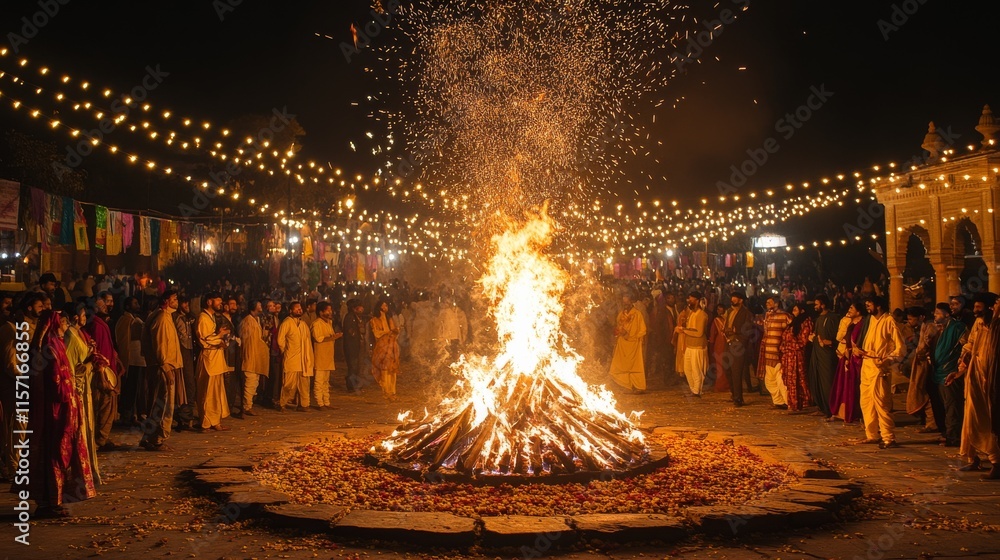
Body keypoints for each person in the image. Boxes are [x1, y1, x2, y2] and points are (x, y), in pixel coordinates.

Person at [27, 310, 96, 517]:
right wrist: (69, 395)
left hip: (63, 408)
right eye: (64, 323)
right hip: (56, 410)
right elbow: (57, 382)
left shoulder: (57, 344)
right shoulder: (50, 347)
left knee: (61, 452)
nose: (66, 327)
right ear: (56, 324)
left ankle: (54, 501)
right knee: (55, 453)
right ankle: (50, 502)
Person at [948, 292, 1000, 477]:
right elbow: (970, 344)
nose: (976, 311)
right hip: (975, 377)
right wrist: (959, 369)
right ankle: (974, 459)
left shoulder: (996, 326)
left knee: (989, 419)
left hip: (992, 381)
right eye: (975, 307)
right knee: (971, 417)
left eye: (979, 307)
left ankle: (996, 462)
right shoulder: (978, 324)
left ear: (990, 307)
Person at [856, 296, 906, 449]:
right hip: (867, 364)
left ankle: (888, 438)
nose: (867, 306)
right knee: (866, 401)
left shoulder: (889, 321)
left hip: (880, 367)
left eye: (869, 303)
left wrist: (888, 359)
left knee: (881, 402)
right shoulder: (869, 320)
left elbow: (900, 348)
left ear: (878, 305)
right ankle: (872, 435)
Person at [62, 304, 102, 485]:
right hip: (77, 388)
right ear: (75, 317)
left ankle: (89, 473)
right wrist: (87, 365)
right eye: (83, 314)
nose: (85, 317)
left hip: (86, 386)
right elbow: (70, 366)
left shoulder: (79, 333)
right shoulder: (70, 335)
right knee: (80, 431)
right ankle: (78, 476)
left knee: (88, 429)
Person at [139, 290, 183, 451]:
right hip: (163, 367)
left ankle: (149, 437)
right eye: (175, 298)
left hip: (161, 366)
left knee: (157, 404)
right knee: (164, 405)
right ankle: (157, 438)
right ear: (166, 301)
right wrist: (166, 367)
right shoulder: (162, 318)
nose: (177, 301)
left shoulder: (161, 316)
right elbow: (161, 346)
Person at [82, 298, 121, 452]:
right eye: (102, 305)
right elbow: (96, 351)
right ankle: (99, 440)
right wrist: (102, 372)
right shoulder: (96, 326)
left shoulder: (100, 324)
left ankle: (102, 438)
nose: (106, 306)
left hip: (108, 368)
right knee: (102, 406)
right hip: (101, 372)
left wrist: (115, 357)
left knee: (106, 406)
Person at [930, 303, 967, 448]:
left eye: (938, 313)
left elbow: (965, 347)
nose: (935, 316)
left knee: (953, 407)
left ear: (947, 314)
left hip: (951, 372)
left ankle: (954, 437)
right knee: (945, 406)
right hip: (938, 371)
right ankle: (949, 433)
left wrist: (959, 368)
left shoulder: (957, 328)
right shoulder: (938, 330)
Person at [196, 293, 230, 431]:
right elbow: (206, 340)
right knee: (207, 392)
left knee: (216, 392)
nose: (221, 303)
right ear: (209, 302)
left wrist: (219, 335)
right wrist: (220, 337)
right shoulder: (203, 318)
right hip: (208, 359)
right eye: (218, 301)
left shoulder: (211, 318)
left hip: (216, 359)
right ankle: (205, 422)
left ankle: (215, 420)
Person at [905, 306, 941, 434]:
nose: (909, 321)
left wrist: (920, 354)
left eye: (911, 319)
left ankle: (933, 423)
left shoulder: (930, 326)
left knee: (927, 393)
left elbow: (924, 346)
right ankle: (930, 422)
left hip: (929, 365)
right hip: (922, 363)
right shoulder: (922, 327)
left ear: (921, 317)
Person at [829, 302, 867, 423]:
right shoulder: (850, 324)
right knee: (843, 385)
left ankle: (855, 413)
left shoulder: (863, 325)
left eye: (852, 308)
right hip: (846, 357)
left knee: (854, 386)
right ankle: (841, 412)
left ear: (859, 312)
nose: (849, 310)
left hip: (857, 360)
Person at [277, 301, 314, 411]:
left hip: (304, 359)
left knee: (304, 384)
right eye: (297, 308)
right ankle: (283, 403)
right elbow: (280, 341)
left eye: (300, 308)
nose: (299, 310)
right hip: (291, 358)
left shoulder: (303, 324)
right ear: (290, 311)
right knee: (289, 384)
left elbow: (308, 340)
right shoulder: (286, 323)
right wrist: (286, 351)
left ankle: (304, 404)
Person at [808, 295, 841, 418]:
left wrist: (827, 342)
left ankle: (831, 409)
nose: (815, 307)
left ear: (823, 305)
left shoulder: (832, 318)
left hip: (826, 355)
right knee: (817, 380)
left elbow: (834, 338)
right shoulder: (818, 319)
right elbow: (817, 334)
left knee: (827, 382)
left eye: (817, 304)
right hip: (817, 353)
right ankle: (821, 407)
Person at [115, 297, 146, 426]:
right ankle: (128, 415)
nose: (137, 305)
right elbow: (123, 341)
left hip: (138, 359)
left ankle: (135, 414)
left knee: (138, 389)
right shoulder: (125, 320)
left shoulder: (134, 320)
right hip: (131, 360)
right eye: (134, 303)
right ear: (127, 306)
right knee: (131, 388)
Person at [758, 296, 793, 409]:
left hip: (779, 354)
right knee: (770, 381)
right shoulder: (767, 315)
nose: (767, 303)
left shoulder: (785, 316)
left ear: (776, 303)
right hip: (768, 354)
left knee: (781, 381)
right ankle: (778, 401)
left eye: (769, 302)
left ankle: (789, 402)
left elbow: (792, 331)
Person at [779, 303, 813, 412]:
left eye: (795, 309)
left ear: (802, 311)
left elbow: (803, 341)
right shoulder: (794, 322)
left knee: (798, 379)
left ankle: (801, 403)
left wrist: (789, 346)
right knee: (790, 380)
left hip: (796, 355)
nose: (793, 311)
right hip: (788, 355)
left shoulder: (806, 323)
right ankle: (793, 404)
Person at [611, 293, 647, 393]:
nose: (625, 304)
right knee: (622, 364)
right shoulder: (621, 314)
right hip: (623, 343)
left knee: (636, 365)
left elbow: (643, 330)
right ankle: (627, 385)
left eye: (627, 302)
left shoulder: (637, 314)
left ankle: (639, 387)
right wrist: (620, 332)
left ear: (631, 302)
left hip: (634, 343)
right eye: (624, 303)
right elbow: (618, 325)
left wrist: (634, 337)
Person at [674, 291, 708, 398]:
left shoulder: (702, 315)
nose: (690, 301)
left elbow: (699, 333)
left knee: (696, 370)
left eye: (692, 300)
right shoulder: (691, 313)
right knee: (687, 369)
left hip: (697, 346)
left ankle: (697, 391)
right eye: (689, 299)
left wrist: (684, 330)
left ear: (697, 301)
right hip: (689, 345)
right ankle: (693, 389)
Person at [723, 291, 754, 405]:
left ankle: (738, 398)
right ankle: (734, 393)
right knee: (727, 369)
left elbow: (748, 330)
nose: (732, 300)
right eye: (732, 298)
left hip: (738, 345)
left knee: (736, 372)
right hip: (728, 342)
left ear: (741, 300)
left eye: (735, 299)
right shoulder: (729, 312)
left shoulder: (746, 313)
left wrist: (738, 337)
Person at [239, 300, 270, 416]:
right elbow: (248, 340)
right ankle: (246, 406)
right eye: (259, 304)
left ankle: (249, 405)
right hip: (250, 356)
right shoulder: (248, 321)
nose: (261, 306)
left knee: (254, 382)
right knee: (250, 382)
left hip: (256, 356)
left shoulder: (256, 320)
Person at [312, 301, 342, 409]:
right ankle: (320, 403)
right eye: (327, 310)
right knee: (319, 381)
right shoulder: (316, 324)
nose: (330, 312)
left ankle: (326, 402)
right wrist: (333, 337)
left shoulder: (329, 323)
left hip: (328, 357)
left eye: (330, 310)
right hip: (320, 357)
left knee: (326, 381)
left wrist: (334, 336)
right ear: (321, 312)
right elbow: (318, 338)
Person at [370, 299, 401, 400]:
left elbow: (393, 331)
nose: (385, 308)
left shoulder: (389, 318)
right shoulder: (374, 320)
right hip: (382, 346)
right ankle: (386, 392)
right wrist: (387, 332)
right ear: (379, 307)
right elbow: (376, 333)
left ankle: (392, 392)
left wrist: (396, 331)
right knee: (384, 369)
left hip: (391, 346)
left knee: (392, 369)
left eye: (386, 306)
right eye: (384, 306)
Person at [174, 295, 198, 428]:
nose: (186, 305)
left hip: (189, 351)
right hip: (182, 352)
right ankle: (183, 416)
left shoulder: (189, 318)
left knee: (190, 385)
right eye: (183, 303)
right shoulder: (176, 319)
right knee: (185, 385)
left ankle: (187, 416)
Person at [342, 299, 367, 393]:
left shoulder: (358, 317)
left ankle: (357, 386)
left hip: (360, 346)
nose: (362, 308)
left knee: (359, 367)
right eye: (360, 306)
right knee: (353, 367)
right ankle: (351, 387)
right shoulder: (349, 317)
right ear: (354, 308)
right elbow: (350, 333)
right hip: (352, 348)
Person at [708, 303, 730, 394]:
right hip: (720, 345)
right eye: (717, 309)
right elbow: (712, 335)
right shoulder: (716, 320)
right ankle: (720, 386)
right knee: (720, 365)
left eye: (720, 309)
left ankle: (726, 385)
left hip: (727, 344)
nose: (719, 311)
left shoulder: (728, 319)